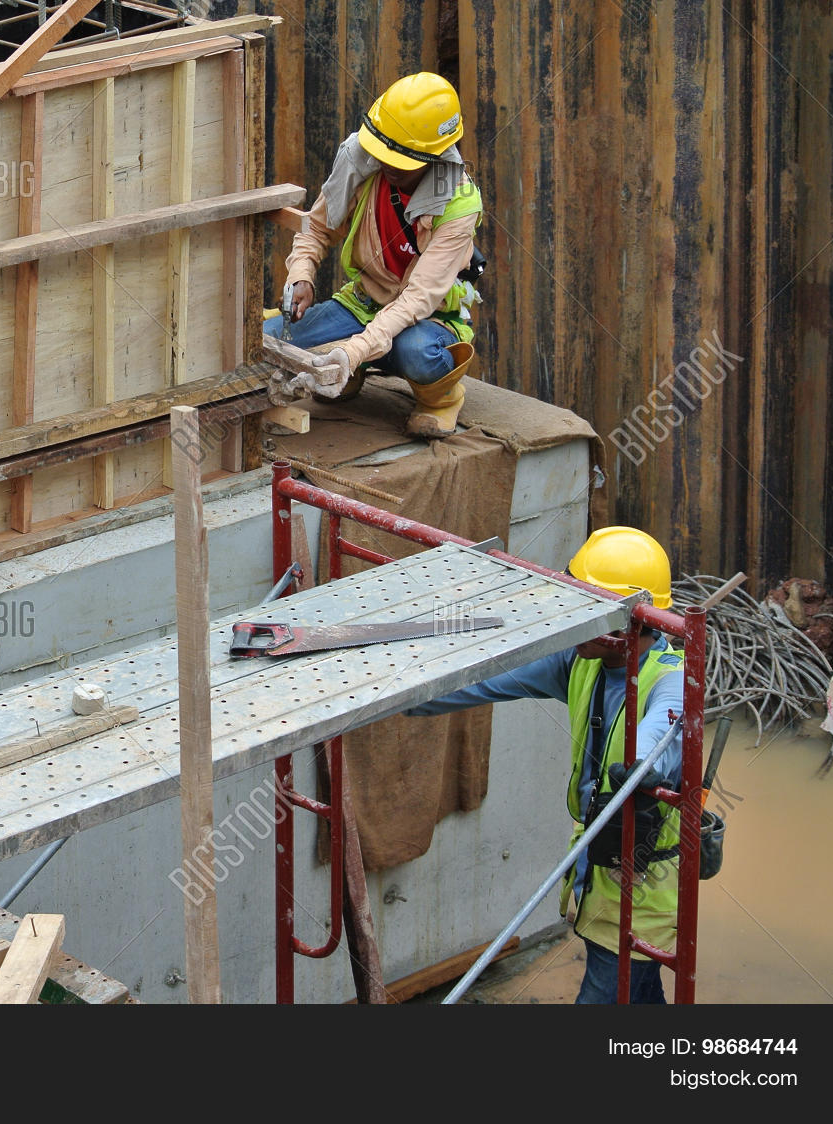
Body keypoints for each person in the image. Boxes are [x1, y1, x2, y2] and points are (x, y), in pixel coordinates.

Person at [406, 527, 687, 1003]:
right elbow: (481, 683)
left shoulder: (670, 682)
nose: (569, 619)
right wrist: (391, 696)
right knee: (639, 996)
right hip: (598, 863)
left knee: (608, 995)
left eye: (586, 610)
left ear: (626, 625)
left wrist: (638, 766)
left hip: (640, 881)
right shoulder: (582, 662)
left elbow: (664, 734)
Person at [266, 72, 484, 437]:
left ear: (432, 156)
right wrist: (301, 275)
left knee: (416, 353)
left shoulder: (459, 203)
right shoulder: (363, 162)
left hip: (427, 318)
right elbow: (318, 227)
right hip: (363, 305)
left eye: (401, 158)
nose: (387, 163)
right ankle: (355, 371)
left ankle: (441, 397)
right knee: (270, 336)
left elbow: (418, 298)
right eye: (384, 152)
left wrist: (352, 352)